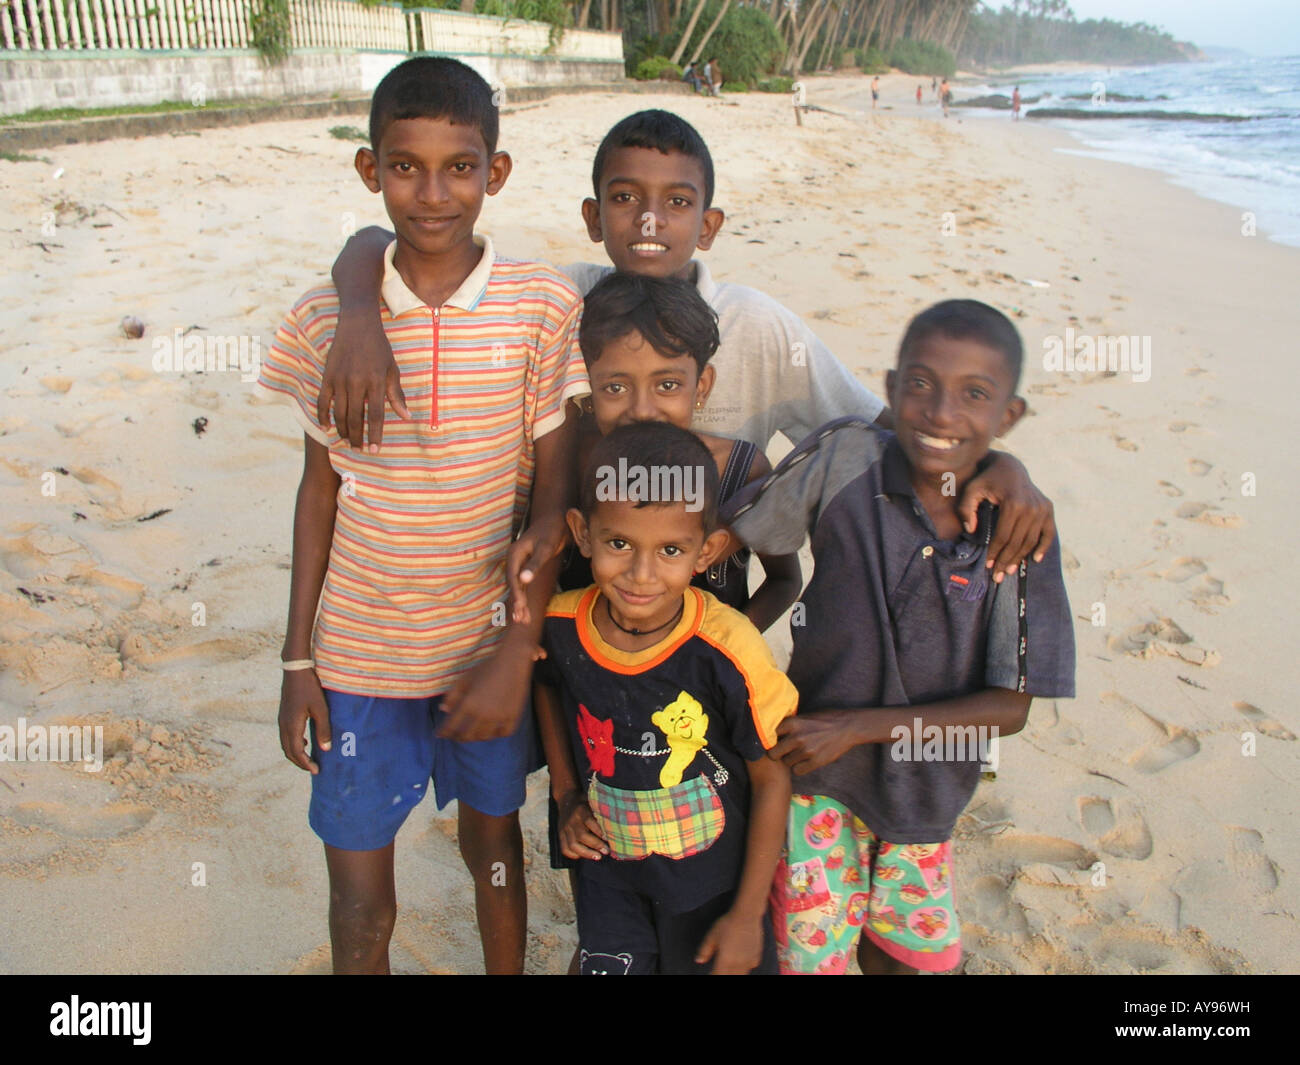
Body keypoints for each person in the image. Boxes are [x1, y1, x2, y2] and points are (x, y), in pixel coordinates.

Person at [321, 110, 1057, 590]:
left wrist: (999, 464)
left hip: (703, 611)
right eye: (624, 197)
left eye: (676, 202)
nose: (649, 219)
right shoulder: (558, 303)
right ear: (591, 215)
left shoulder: (761, 328)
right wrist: (359, 310)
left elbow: (881, 428)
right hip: (569, 590)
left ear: (707, 225)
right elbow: (385, 240)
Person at [257, 56, 589, 974]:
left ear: (497, 173)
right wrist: (297, 660)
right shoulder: (326, 320)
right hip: (360, 651)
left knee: (492, 852)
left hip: (481, 648)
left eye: (461, 168)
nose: (433, 192)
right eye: (406, 167)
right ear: (371, 171)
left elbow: (553, 495)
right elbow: (316, 490)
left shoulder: (539, 306)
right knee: (360, 895)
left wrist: (518, 651)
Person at [720, 299, 1076, 974]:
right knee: (807, 956)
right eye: (920, 384)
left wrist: (856, 724)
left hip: (926, 800)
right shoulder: (846, 457)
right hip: (814, 784)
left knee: (906, 960)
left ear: (1008, 417)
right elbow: (743, 530)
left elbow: (1011, 708)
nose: (941, 412)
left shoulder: (1017, 532)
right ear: (890, 389)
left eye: (974, 395)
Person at [536, 420, 798, 973]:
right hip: (609, 874)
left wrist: (749, 916)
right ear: (582, 533)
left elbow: (773, 777)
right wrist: (564, 797)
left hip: (713, 886)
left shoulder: (729, 648)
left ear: (708, 552)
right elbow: (547, 687)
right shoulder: (561, 623)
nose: (641, 573)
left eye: (671, 548)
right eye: (619, 543)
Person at [564, 271, 801, 630]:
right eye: (615, 387)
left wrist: (718, 652)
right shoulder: (574, 462)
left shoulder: (739, 471)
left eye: (668, 385)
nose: (642, 410)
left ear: (701, 387)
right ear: (587, 385)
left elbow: (785, 580)